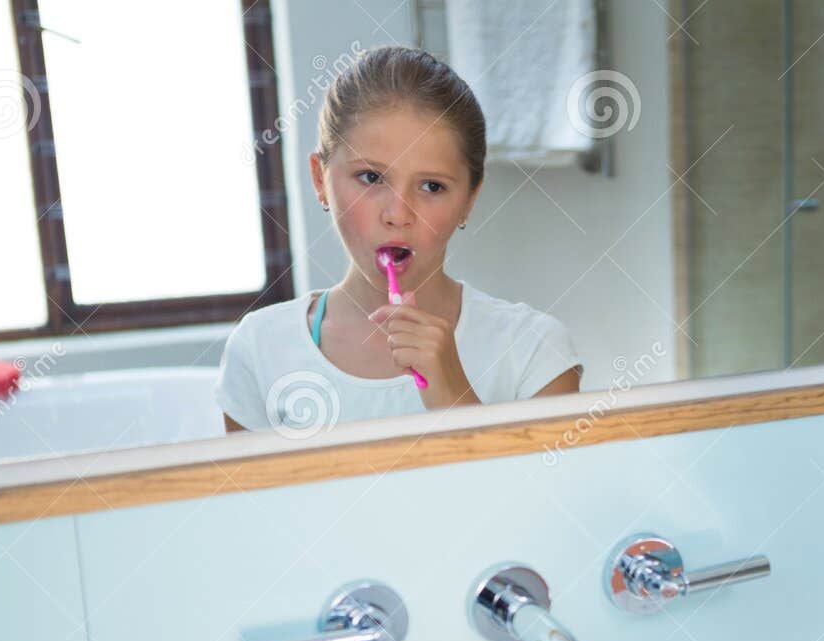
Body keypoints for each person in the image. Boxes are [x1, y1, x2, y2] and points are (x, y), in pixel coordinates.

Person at [217, 46, 580, 433]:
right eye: (371, 178)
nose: (398, 214)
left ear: (469, 201)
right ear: (320, 179)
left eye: (431, 186)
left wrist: (455, 398)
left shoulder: (536, 352)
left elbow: (543, 494)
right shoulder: (259, 349)